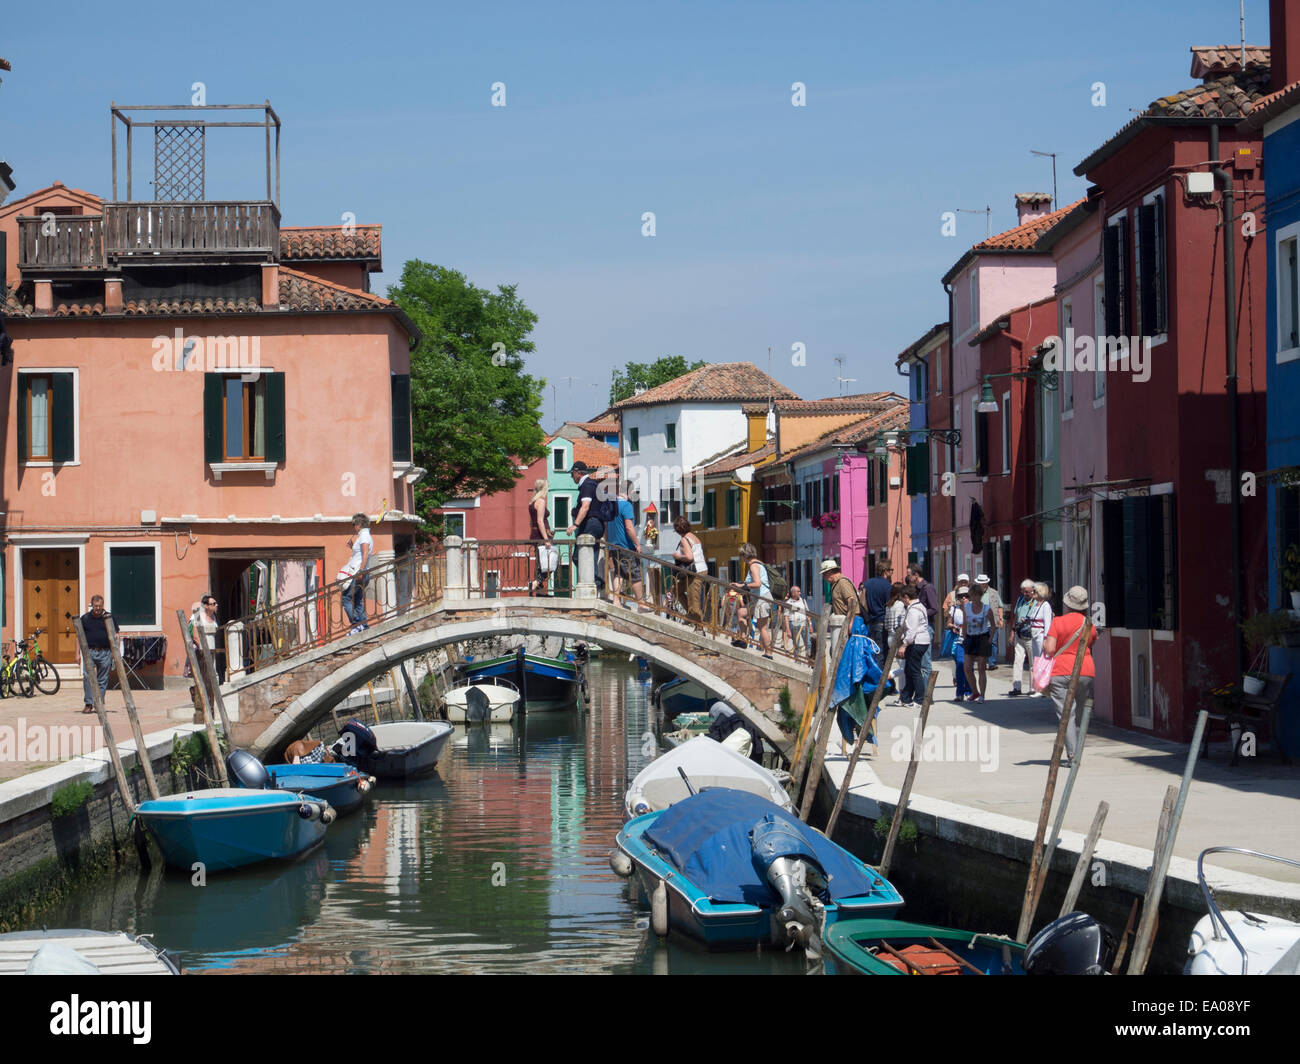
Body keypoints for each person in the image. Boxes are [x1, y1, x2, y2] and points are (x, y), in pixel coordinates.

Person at [1041, 586, 1099, 763]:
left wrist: (1044, 645)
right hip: (1085, 671)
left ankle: (1073, 754)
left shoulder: (1058, 622)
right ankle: (1078, 750)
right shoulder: (1090, 625)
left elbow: (1050, 649)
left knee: (1066, 714)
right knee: (1082, 714)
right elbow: (1090, 643)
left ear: (1067, 604)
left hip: (1061, 671)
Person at [605, 481, 643, 605]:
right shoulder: (626, 506)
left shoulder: (611, 505)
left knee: (619, 573)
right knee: (635, 574)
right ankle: (641, 603)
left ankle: (616, 600)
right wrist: (637, 543)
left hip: (613, 546)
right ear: (630, 492)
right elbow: (629, 527)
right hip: (625, 546)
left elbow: (606, 526)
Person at [905, 563, 939, 699]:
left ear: (916, 575)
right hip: (916, 629)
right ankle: (919, 693)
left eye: (909, 575)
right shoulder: (915, 589)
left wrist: (921, 612)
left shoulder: (927, 588)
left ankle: (927, 696)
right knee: (916, 664)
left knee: (925, 663)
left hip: (926, 628)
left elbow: (935, 608)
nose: (907, 577)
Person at [892, 585, 929, 707]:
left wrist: (904, 645)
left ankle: (919, 699)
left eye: (902, 599)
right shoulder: (920, 606)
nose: (902, 601)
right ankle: (906, 698)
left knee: (914, 670)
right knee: (909, 669)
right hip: (920, 641)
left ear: (907, 597)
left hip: (916, 642)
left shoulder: (913, 610)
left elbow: (912, 631)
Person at [734, 542, 773, 657]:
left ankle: (768, 653)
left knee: (762, 627)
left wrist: (742, 586)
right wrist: (740, 585)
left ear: (745, 555)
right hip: (759, 599)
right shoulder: (758, 564)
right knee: (741, 612)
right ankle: (743, 640)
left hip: (762, 599)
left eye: (742, 556)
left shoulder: (753, 566)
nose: (742, 559)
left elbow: (757, 584)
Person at [79, 595, 113, 714]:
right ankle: (88, 703)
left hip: (105, 652)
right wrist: (76, 654)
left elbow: (115, 635)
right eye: (95, 606)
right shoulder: (85, 618)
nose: (97, 608)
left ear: (102, 605)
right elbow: (78, 636)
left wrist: (115, 653)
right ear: (92, 605)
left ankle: (99, 704)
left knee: (102, 679)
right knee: (88, 677)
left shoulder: (108, 617)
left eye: (99, 606)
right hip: (90, 651)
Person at [671, 516, 707, 628]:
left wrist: (678, 556)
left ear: (677, 529)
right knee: (677, 590)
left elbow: (689, 557)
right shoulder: (694, 537)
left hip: (695, 572)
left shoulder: (684, 539)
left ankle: (699, 626)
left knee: (693, 598)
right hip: (700, 569)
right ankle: (691, 615)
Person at [962, 583, 994, 702]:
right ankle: (974, 691)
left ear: (980, 596)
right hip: (970, 638)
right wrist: (964, 637)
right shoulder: (966, 608)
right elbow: (965, 624)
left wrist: (990, 639)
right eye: (972, 595)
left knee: (981, 667)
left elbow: (993, 625)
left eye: (977, 595)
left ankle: (982, 695)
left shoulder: (986, 608)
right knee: (967, 667)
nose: (974, 598)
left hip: (982, 638)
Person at [860, 559, 893, 669]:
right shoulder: (887, 586)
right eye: (891, 570)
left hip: (870, 622)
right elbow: (890, 605)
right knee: (882, 655)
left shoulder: (867, 584)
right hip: (882, 622)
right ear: (885, 571)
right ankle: (880, 682)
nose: (892, 572)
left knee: (874, 652)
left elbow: (862, 604)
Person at [342, 513, 373, 633]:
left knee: (346, 598)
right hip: (362, 571)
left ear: (359, 524)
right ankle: (363, 626)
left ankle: (356, 624)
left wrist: (361, 570)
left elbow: (365, 553)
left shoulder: (364, 536)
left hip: (359, 572)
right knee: (357, 600)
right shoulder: (364, 536)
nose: (353, 527)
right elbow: (360, 554)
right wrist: (352, 547)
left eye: (353, 524)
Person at [190, 593, 223, 703]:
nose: (216, 605)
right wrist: (202, 649)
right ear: (206, 606)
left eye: (216, 603)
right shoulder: (198, 616)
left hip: (212, 650)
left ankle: (209, 698)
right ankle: (198, 695)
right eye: (213, 603)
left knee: (211, 674)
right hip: (201, 651)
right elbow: (195, 635)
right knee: (203, 675)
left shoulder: (214, 617)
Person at [526, 478, 554, 596]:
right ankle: (535, 583)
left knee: (540, 562)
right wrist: (546, 539)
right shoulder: (541, 501)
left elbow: (531, 522)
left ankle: (538, 588)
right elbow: (540, 521)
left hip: (535, 534)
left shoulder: (532, 502)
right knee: (550, 562)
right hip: (542, 535)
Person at [1009, 579, 1037, 695]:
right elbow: (1015, 616)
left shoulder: (1036, 602)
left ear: (1033, 591)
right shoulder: (1020, 600)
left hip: (1030, 635)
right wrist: (1012, 632)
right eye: (1024, 591)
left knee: (1032, 662)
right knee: (1018, 660)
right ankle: (1017, 687)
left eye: (1027, 592)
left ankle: (1033, 688)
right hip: (1019, 634)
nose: (1025, 594)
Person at [1027, 582, 1054, 698]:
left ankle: (1042, 688)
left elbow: (1048, 624)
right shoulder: (1035, 604)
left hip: (1040, 636)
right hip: (1034, 635)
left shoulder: (1046, 606)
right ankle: (1037, 686)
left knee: (1041, 662)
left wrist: (1046, 639)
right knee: (1035, 662)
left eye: (1035, 591)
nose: (1033, 593)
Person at [975, 574, 1004, 669]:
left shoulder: (994, 593)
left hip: (992, 622)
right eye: (980, 583)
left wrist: (1001, 619)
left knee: (993, 642)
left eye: (984, 583)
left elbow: (1000, 606)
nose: (982, 585)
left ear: (987, 583)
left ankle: (992, 663)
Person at [949, 585, 972, 702]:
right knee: (959, 666)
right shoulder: (954, 609)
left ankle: (969, 691)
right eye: (961, 596)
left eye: (966, 596)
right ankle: (959, 693)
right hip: (959, 641)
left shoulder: (974, 608)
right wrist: (953, 626)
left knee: (968, 667)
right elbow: (948, 623)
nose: (964, 598)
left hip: (971, 640)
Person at [785, 586, 810, 656]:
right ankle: (797, 661)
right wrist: (788, 630)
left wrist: (810, 625)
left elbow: (807, 613)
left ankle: (809, 660)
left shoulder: (803, 601)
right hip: (794, 624)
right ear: (793, 593)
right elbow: (786, 617)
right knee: (796, 644)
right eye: (798, 591)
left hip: (804, 624)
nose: (800, 593)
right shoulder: (788, 603)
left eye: (799, 591)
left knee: (808, 643)